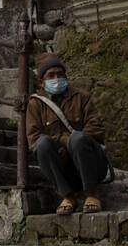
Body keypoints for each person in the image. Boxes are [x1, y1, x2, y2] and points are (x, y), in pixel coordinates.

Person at [25, 54, 110, 216]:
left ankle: (91, 194)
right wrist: (60, 146)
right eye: (51, 75)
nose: (56, 78)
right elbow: (33, 139)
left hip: (91, 165)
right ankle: (68, 196)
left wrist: (68, 143)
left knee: (77, 139)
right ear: (42, 82)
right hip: (64, 169)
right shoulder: (35, 104)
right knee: (42, 144)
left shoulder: (82, 97)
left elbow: (97, 129)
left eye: (60, 74)